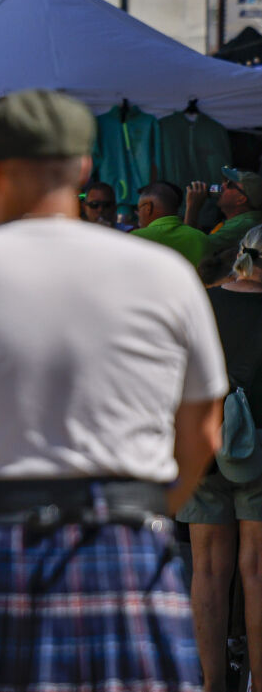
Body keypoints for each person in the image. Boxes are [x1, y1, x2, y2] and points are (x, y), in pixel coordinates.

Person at [0, 89, 223, 692]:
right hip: (124, 553)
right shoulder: (164, 276)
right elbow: (202, 430)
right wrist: (140, 519)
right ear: (82, 170)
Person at [175, 223, 262, 691]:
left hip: (204, 443)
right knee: (258, 572)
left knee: (208, 570)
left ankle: (211, 684)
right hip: (260, 453)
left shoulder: (202, 304)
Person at [190, 169, 262, 285]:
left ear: (241, 199)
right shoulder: (238, 221)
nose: (222, 185)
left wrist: (193, 207)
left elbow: (192, 248)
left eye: (229, 184)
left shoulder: (243, 224)